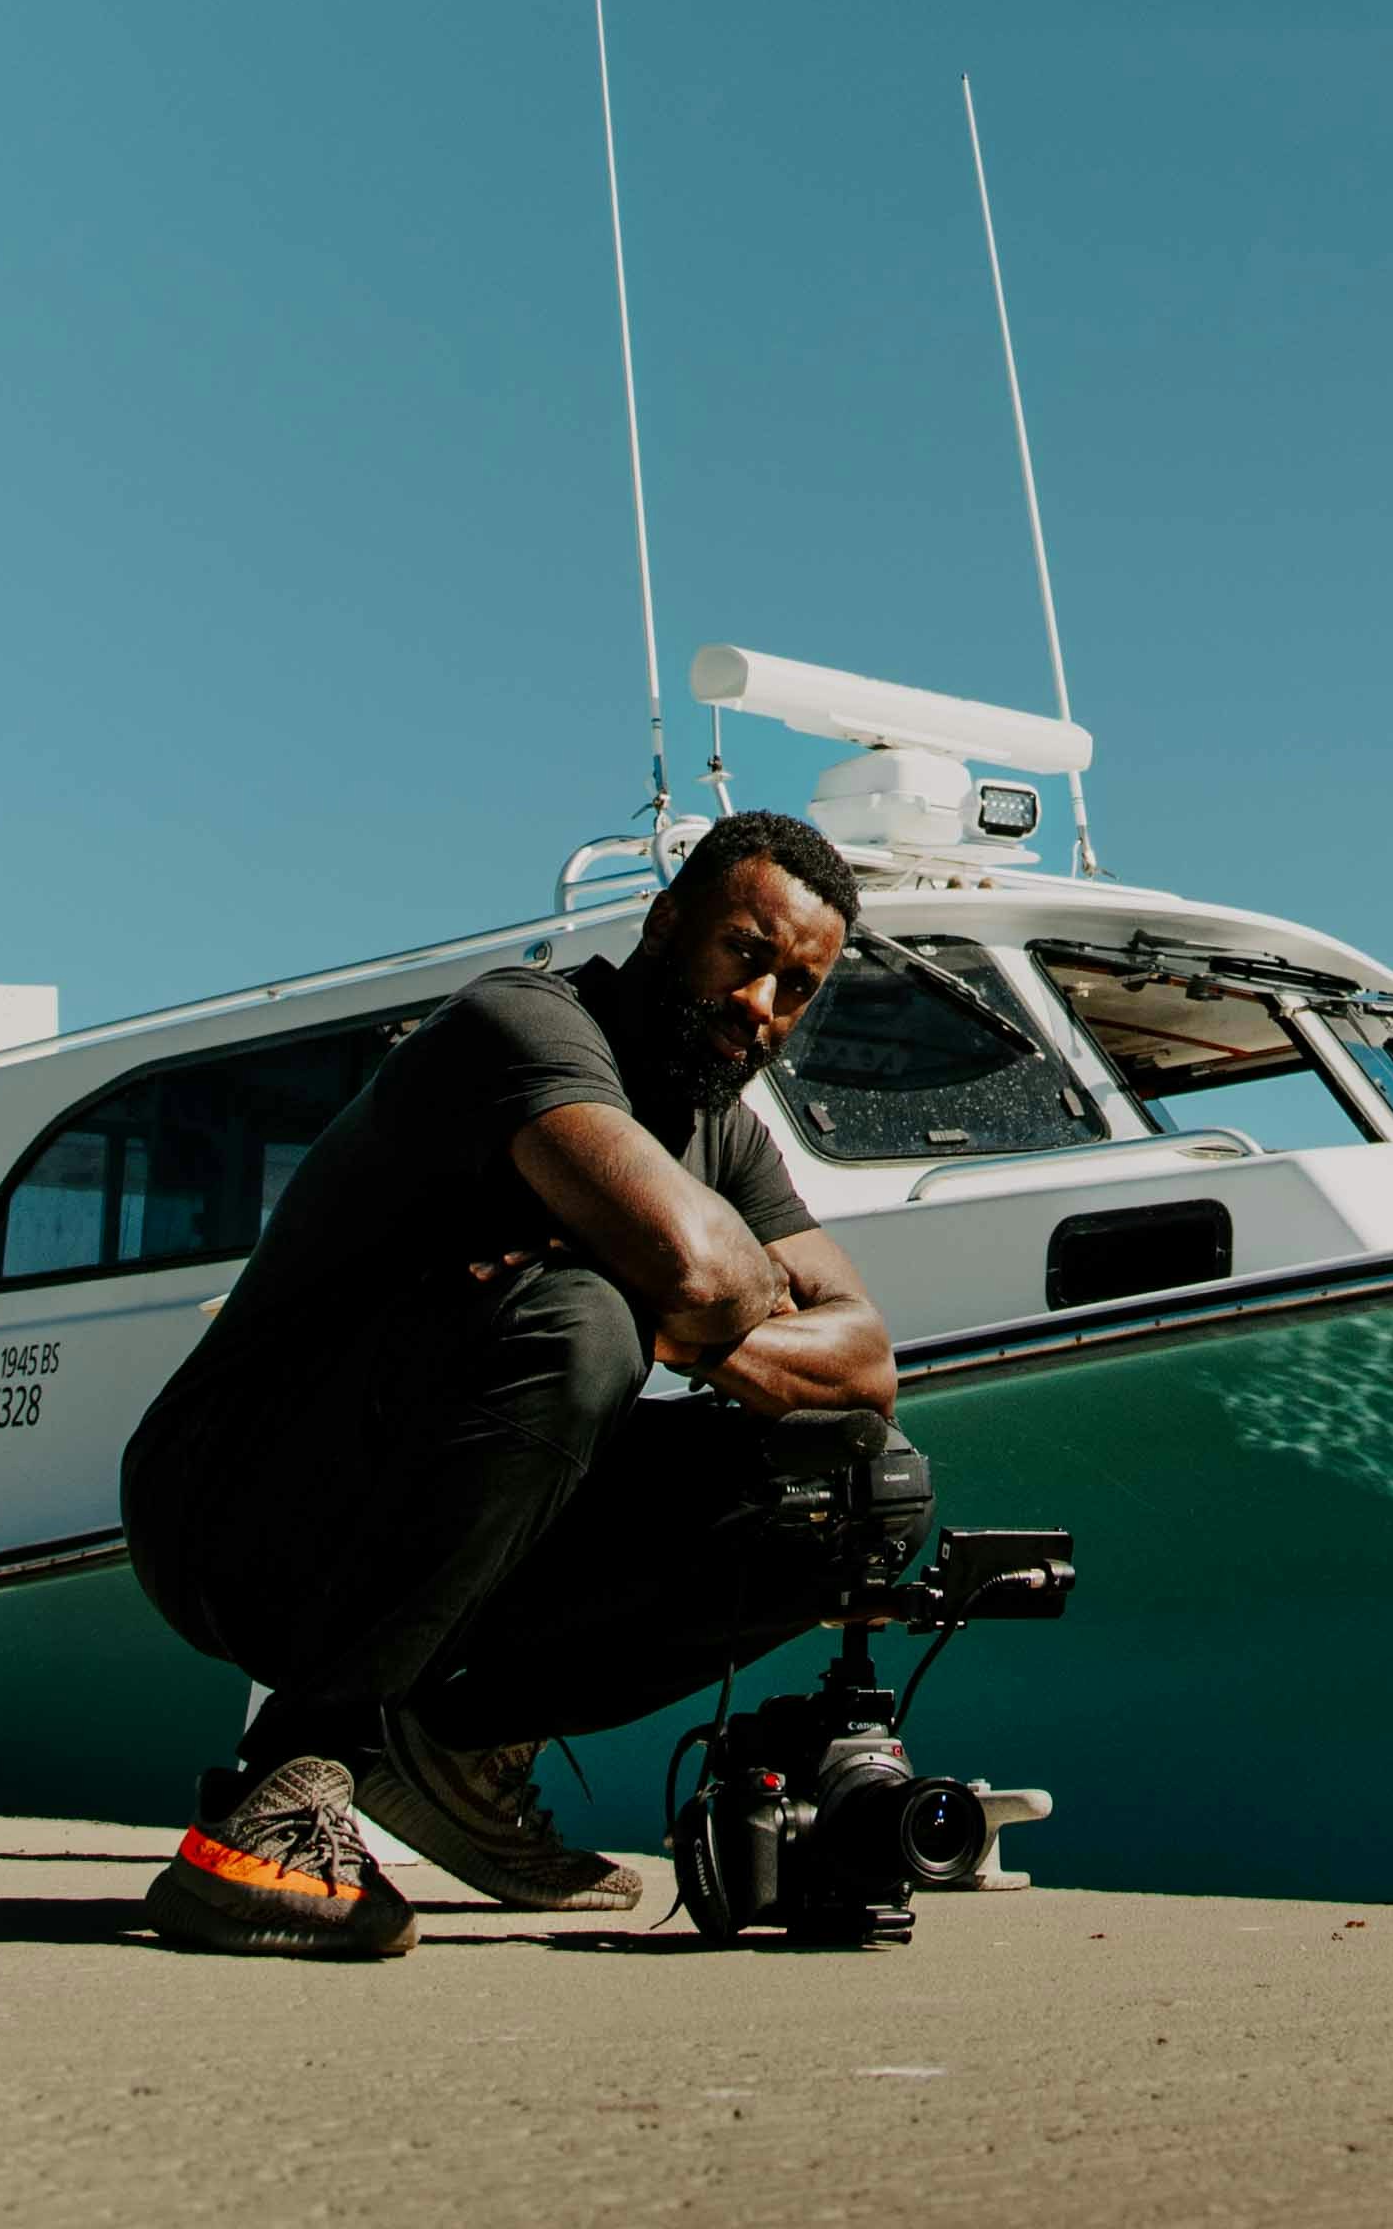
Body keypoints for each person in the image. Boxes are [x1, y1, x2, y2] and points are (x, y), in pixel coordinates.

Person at [120, 809, 893, 1958]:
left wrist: (650, 1290)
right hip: (239, 1504)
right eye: (746, 954)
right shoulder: (521, 1023)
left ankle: (456, 1752)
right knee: (579, 1323)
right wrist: (659, 1289)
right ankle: (280, 1792)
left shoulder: (719, 1132)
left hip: (444, 1530)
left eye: (796, 988)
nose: (763, 1008)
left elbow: (865, 1364)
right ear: (667, 918)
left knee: (865, 1491)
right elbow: (700, 1271)